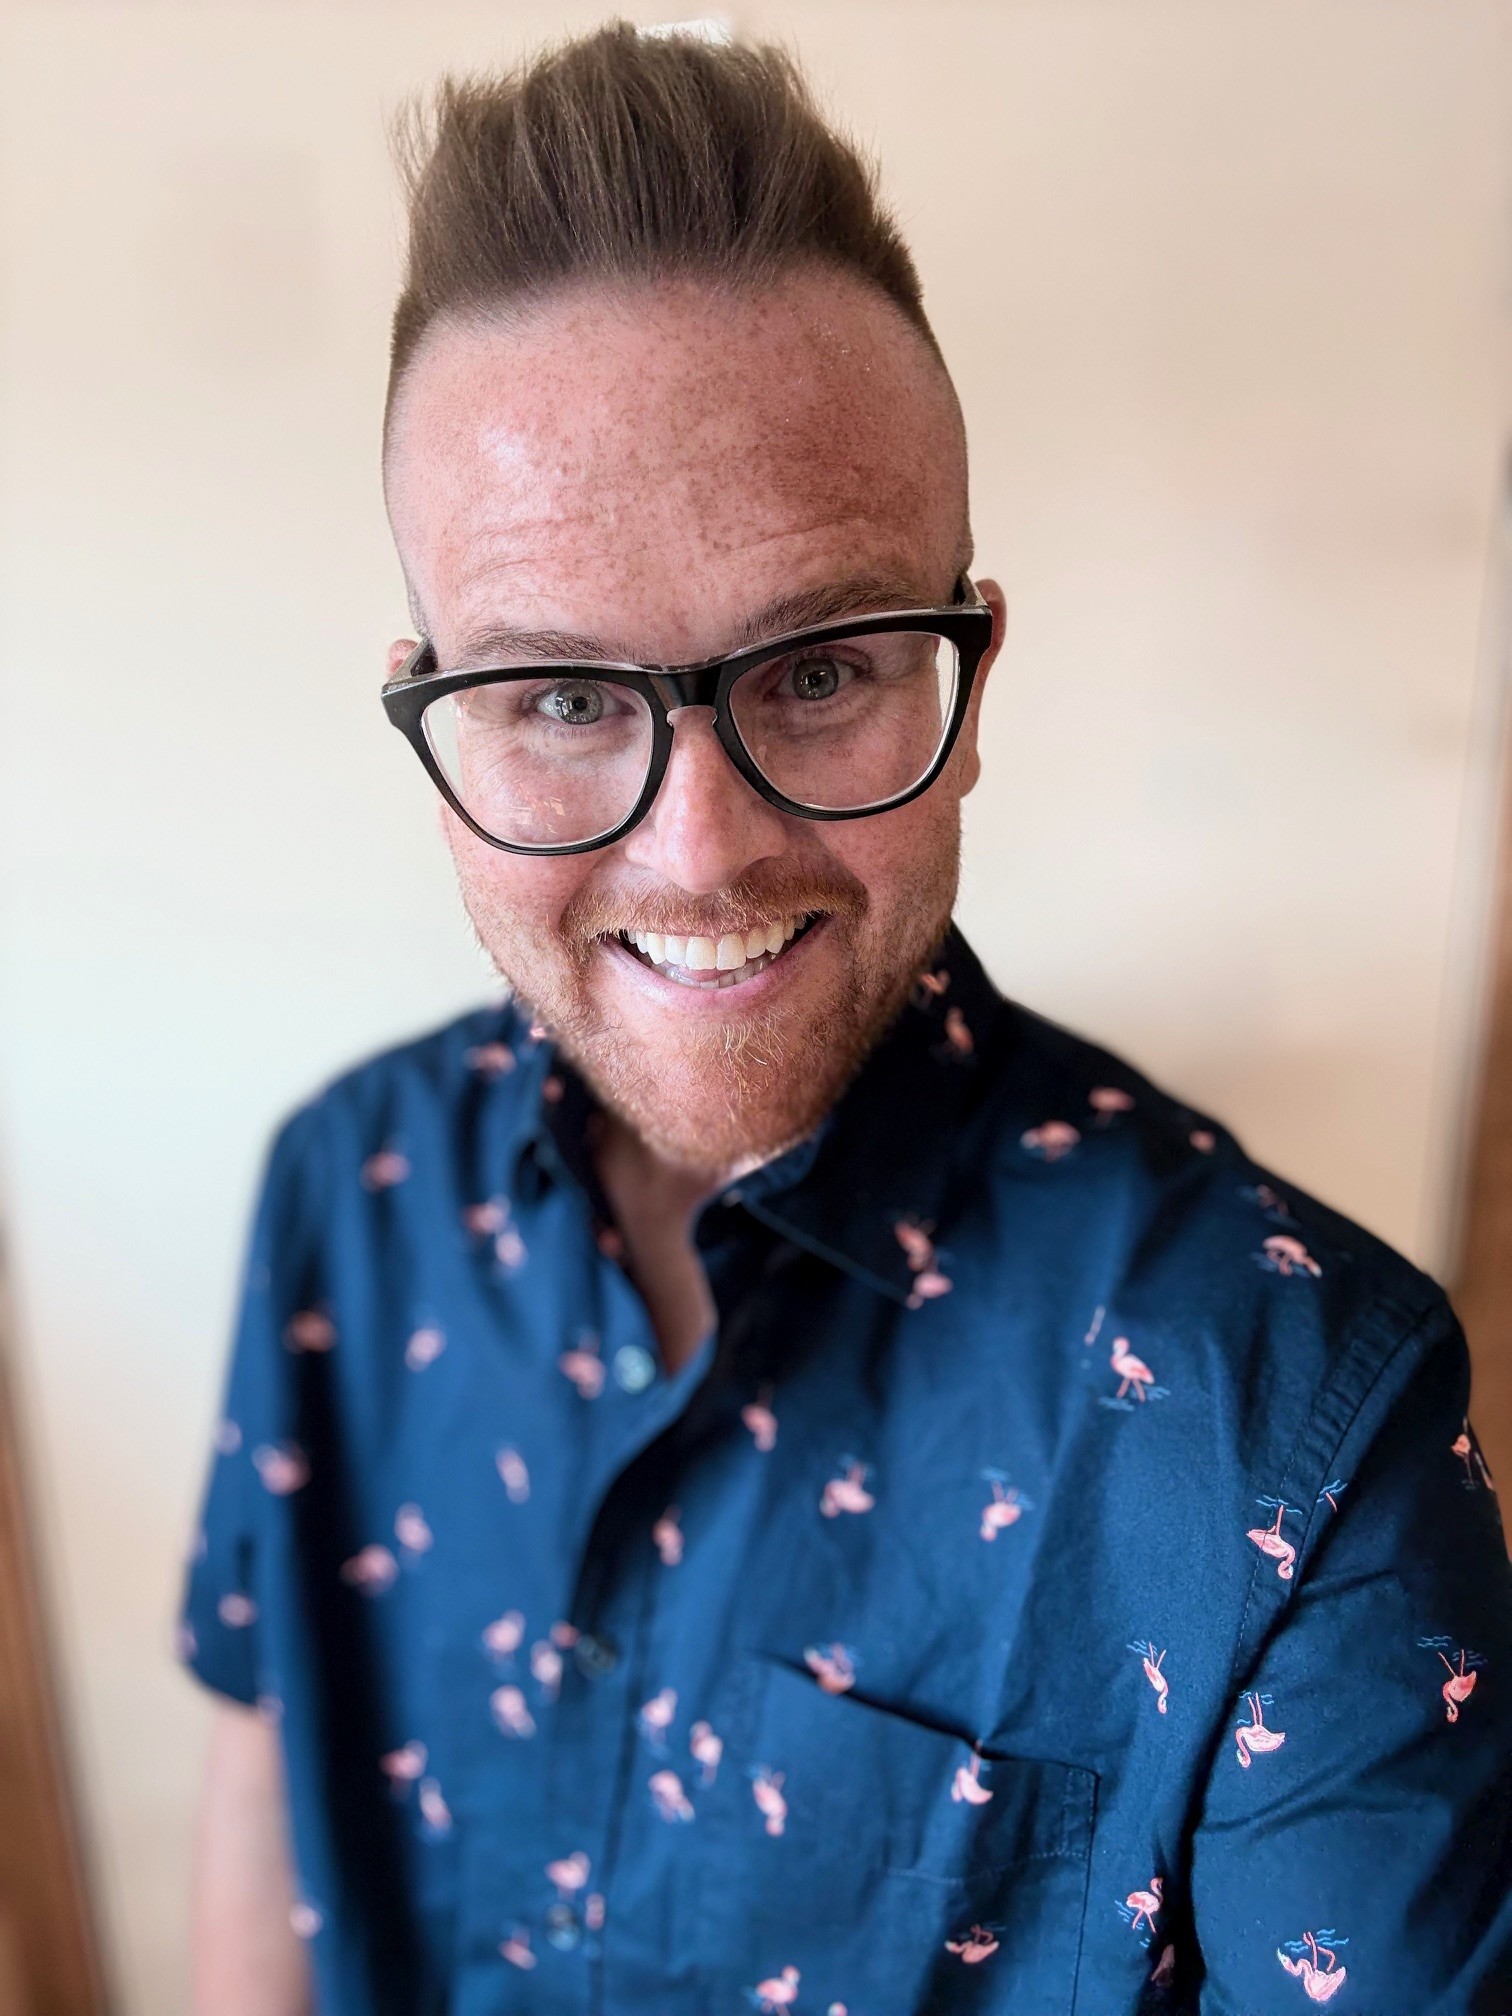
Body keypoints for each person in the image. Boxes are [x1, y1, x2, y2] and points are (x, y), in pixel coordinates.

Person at [179, 22, 1512, 2015]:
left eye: (817, 674)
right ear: (430, 723)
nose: (701, 852)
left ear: (968, 680)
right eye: (560, 698)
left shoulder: (1298, 1421)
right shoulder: (340, 1200)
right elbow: (265, 1816)